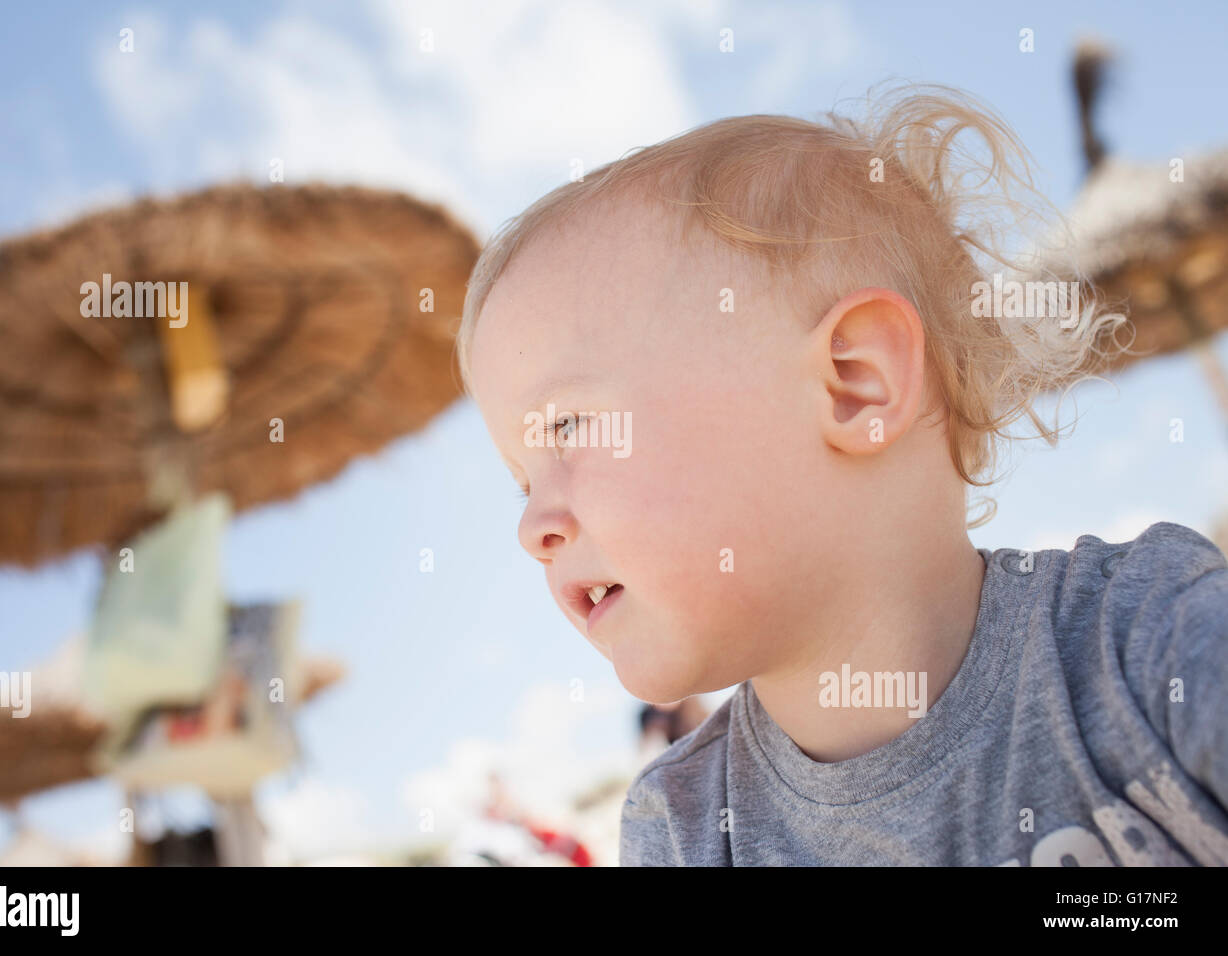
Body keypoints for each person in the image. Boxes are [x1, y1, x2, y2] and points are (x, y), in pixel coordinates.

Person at [454, 81, 1228, 865]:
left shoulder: (1145, 643)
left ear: (855, 383)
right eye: (523, 482)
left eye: (569, 427)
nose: (531, 528)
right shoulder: (684, 829)